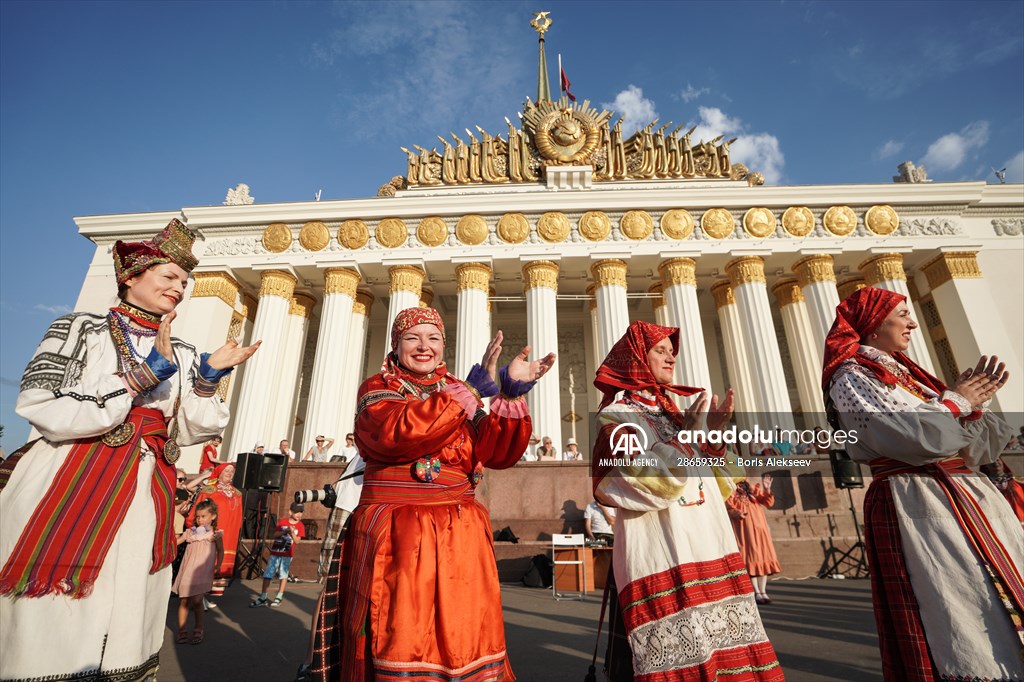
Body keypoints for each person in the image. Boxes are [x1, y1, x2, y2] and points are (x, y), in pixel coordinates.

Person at [0, 219, 259, 681]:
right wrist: (141, 376)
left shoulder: (183, 351)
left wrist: (207, 378)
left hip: (144, 485)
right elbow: (39, 402)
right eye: (169, 277)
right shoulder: (80, 329)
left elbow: (191, 430)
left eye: (185, 281)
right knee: (58, 597)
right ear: (131, 277)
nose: (179, 288)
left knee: (130, 591)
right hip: (70, 473)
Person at [312, 306, 555, 681]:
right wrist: (469, 391)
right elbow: (398, 434)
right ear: (396, 345)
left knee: (464, 635)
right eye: (412, 338)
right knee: (401, 633)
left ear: (444, 344)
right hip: (400, 536)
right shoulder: (379, 388)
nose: (424, 346)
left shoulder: (456, 389)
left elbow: (497, 453)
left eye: (434, 338)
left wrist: (509, 395)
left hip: (460, 536)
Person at [823, 286, 1021, 681]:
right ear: (873, 326)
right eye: (902, 314)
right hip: (919, 500)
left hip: (964, 494)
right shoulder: (852, 376)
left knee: (993, 589)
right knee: (955, 599)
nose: (912, 322)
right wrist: (954, 403)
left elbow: (971, 451)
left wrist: (970, 405)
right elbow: (906, 439)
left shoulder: (911, 377)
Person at [591, 320, 784, 681]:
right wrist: (688, 436)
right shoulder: (616, 416)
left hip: (709, 544)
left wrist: (714, 436)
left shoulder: (677, 415)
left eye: (672, 352)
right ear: (637, 358)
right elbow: (637, 481)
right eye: (660, 351)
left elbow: (721, 486)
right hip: (664, 549)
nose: (671, 358)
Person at [185, 462, 243, 598]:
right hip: (211, 532)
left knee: (221, 560)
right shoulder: (209, 490)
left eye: (232, 471)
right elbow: (198, 511)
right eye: (226, 471)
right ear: (220, 472)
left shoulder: (237, 493)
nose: (229, 474)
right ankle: (199, 595)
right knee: (207, 562)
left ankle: (208, 595)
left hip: (229, 533)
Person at [173, 499, 223, 645]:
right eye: (198, 516)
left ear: (213, 516)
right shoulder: (190, 533)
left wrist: (218, 565)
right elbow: (176, 542)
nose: (200, 519)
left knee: (197, 600)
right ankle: (182, 630)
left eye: (203, 516)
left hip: (203, 571)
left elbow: (221, 550)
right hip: (187, 570)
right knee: (184, 600)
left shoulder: (214, 534)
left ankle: (198, 628)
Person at [726, 474, 781, 605]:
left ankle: (763, 591)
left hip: (760, 528)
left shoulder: (751, 488)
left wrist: (767, 489)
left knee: (763, 555)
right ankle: (756, 592)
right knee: (751, 557)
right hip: (745, 530)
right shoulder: (730, 490)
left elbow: (768, 502)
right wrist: (738, 513)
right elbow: (728, 508)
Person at [251, 501, 306, 608]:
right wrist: (284, 532)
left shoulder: (300, 525)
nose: (299, 514)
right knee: (268, 574)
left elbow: (297, 541)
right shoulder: (283, 521)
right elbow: (275, 535)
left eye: (301, 512)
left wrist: (292, 533)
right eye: (296, 512)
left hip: (287, 554)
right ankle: (263, 597)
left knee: (283, 575)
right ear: (290, 512)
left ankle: (279, 596)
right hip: (276, 552)